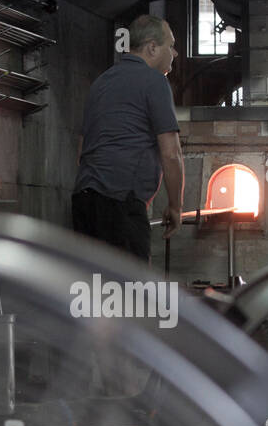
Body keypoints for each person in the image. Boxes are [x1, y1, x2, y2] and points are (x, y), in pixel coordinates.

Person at [72, 14, 184, 263]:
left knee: (93, 291)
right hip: (120, 204)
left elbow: (82, 149)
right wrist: (175, 206)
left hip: (84, 201)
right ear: (152, 47)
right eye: (171, 46)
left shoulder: (101, 82)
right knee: (129, 295)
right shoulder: (155, 82)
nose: (174, 54)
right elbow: (171, 153)